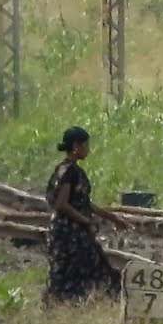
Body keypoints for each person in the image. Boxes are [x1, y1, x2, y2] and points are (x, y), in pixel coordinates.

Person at [43, 126, 130, 305]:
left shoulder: (61, 169)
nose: (88, 150)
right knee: (93, 268)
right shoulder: (71, 172)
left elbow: (83, 203)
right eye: (86, 145)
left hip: (62, 231)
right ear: (76, 146)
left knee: (65, 272)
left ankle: (60, 305)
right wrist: (85, 221)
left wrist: (112, 218)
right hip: (70, 233)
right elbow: (62, 204)